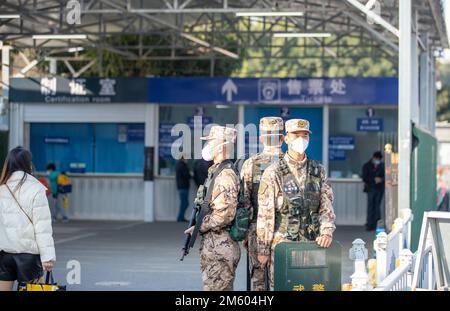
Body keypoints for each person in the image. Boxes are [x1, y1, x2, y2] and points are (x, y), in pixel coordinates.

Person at [256, 119, 336, 289]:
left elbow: (326, 204)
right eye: (296, 135)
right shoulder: (273, 172)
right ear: (286, 138)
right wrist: (263, 250)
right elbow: (265, 214)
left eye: (305, 135)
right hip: (283, 245)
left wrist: (327, 231)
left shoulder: (318, 170)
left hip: (312, 245)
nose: (301, 139)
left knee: (310, 286)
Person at [184, 126, 241, 291]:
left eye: (210, 142)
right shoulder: (217, 171)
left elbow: (225, 215)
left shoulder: (225, 175)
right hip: (215, 247)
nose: (207, 146)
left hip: (221, 249)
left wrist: (199, 226)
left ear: (222, 146)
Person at [0, 146, 56, 291]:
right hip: (29, 255)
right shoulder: (36, 188)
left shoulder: (2, 187)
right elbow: (42, 226)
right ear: (28, 164)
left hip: (4, 254)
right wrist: (47, 257)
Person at [240, 117, 284, 291]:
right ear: (282, 138)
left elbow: (244, 203)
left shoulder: (251, 164)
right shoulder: (292, 163)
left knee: (259, 282)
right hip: (286, 231)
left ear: (261, 138)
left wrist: (246, 234)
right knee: (284, 279)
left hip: (257, 232)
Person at [362, 151, 385, 231]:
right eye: (376, 159)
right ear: (373, 158)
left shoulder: (382, 166)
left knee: (377, 207)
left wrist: (381, 179)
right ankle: (369, 224)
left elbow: (386, 176)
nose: (377, 160)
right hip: (370, 188)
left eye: (379, 159)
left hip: (379, 189)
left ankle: (377, 225)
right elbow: (364, 177)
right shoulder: (367, 166)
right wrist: (373, 180)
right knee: (371, 206)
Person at [175, 156, 191, 222]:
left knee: (184, 202)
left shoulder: (179, 165)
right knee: (185, 203)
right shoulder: (182, 165)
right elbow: (186, 175)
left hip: (181, 186)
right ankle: (180, 217)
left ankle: (181, 217)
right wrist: (190, 175)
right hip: (183, 186)